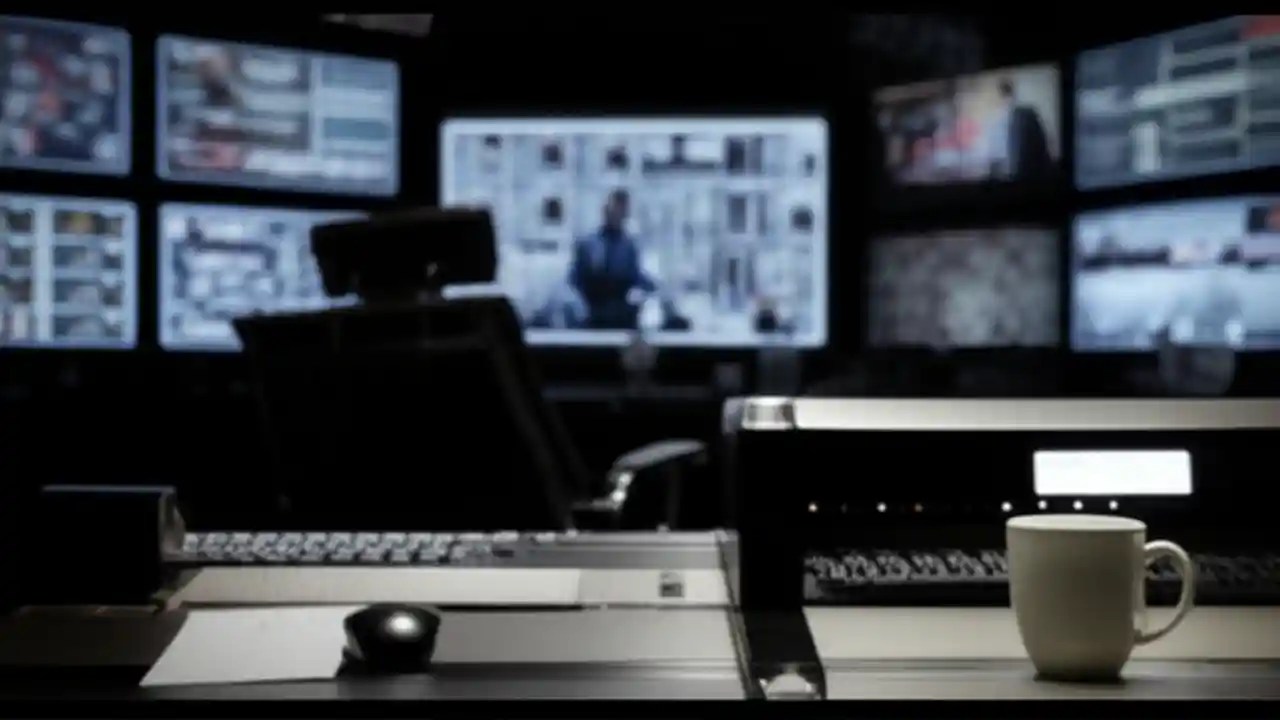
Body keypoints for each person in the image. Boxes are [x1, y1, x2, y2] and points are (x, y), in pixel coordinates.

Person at [568, 190, 656, 330]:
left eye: (622, 211)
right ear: (605, 211)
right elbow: (575, 278)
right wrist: (578, 303)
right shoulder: (588, 244)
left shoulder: (629, 246)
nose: (617, 214)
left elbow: (636, 276)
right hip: (592, 309)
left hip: (622, 310)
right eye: (614, 209)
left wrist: (644, 290)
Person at [995, 78, 1053, 181]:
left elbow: (1041, 147)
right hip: (1014, 175)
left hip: (1031, 175)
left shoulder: (1028, 114)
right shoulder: (1000, 119)